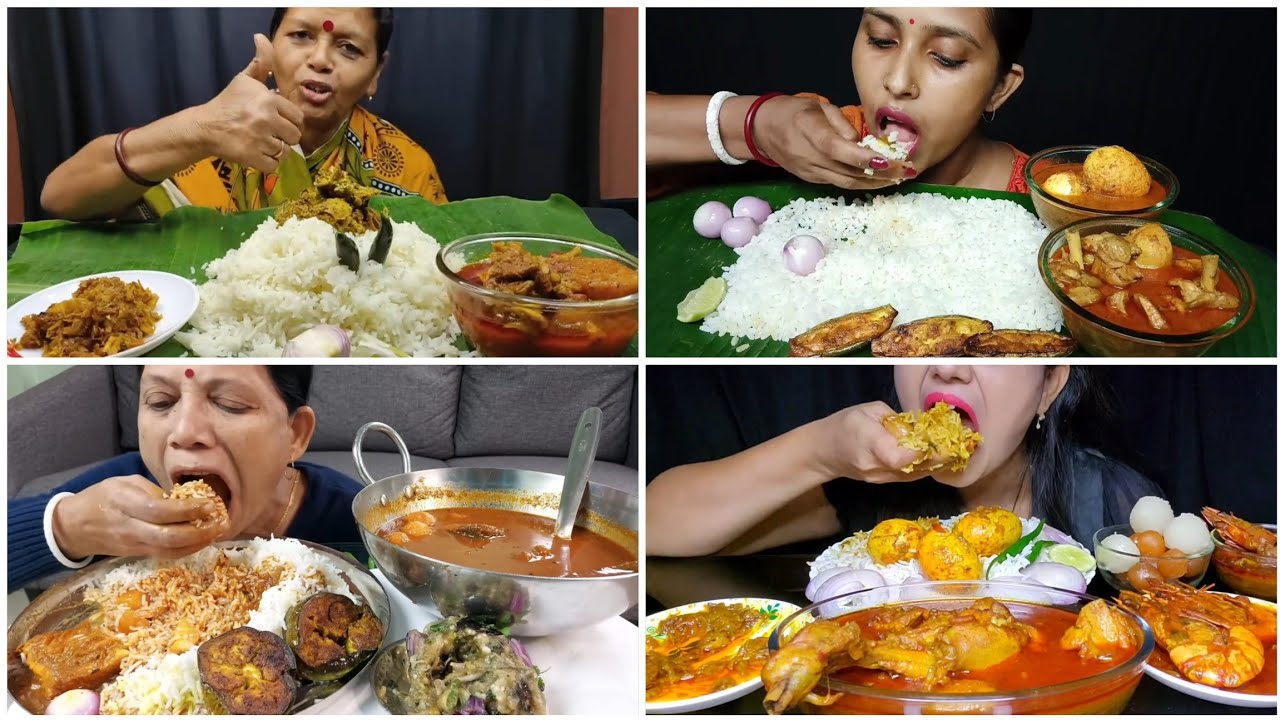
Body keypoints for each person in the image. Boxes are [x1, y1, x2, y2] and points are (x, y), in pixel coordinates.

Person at [646, 365, 1164, 557]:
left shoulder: (1118, 501)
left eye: (991, 349)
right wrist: (818, 452)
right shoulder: (870, 491)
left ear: (1051, 383)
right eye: (926, 341)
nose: (949, 368)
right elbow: (657, 525)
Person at [40, 7, 446, 221]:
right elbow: (59, 197)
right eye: (301, 36)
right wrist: (201, 129)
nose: (320, 59)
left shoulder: (406, 167)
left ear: (375, 74)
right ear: (270, 47)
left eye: (349, 48)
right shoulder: (209, 137)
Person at [8, 365, 364, 589]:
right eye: (161, 402)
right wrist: (63, 527)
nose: (184, 430)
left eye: (230, 403)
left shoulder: (352, 518)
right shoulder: (124, 489)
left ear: (295, 434)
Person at [647, 8, 1033, 193]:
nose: (897, 82)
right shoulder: (808, 137)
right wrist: (754, 126)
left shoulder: (1056, 199)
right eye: (882, 39)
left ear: (1000, 87)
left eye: (946, 57)